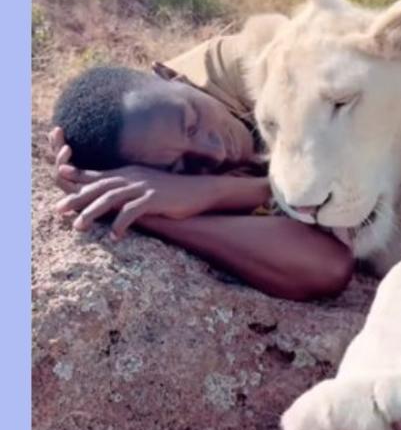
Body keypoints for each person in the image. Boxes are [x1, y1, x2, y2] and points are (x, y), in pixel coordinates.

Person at [47, 16, 355, 301]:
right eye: (180, 167)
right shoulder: (167, 175)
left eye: (192, 124)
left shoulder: (268, 63)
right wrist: (140, 214)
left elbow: (340, 181)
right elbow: (325, 266)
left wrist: (205, 192)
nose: (215, 152)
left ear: (172, 76)